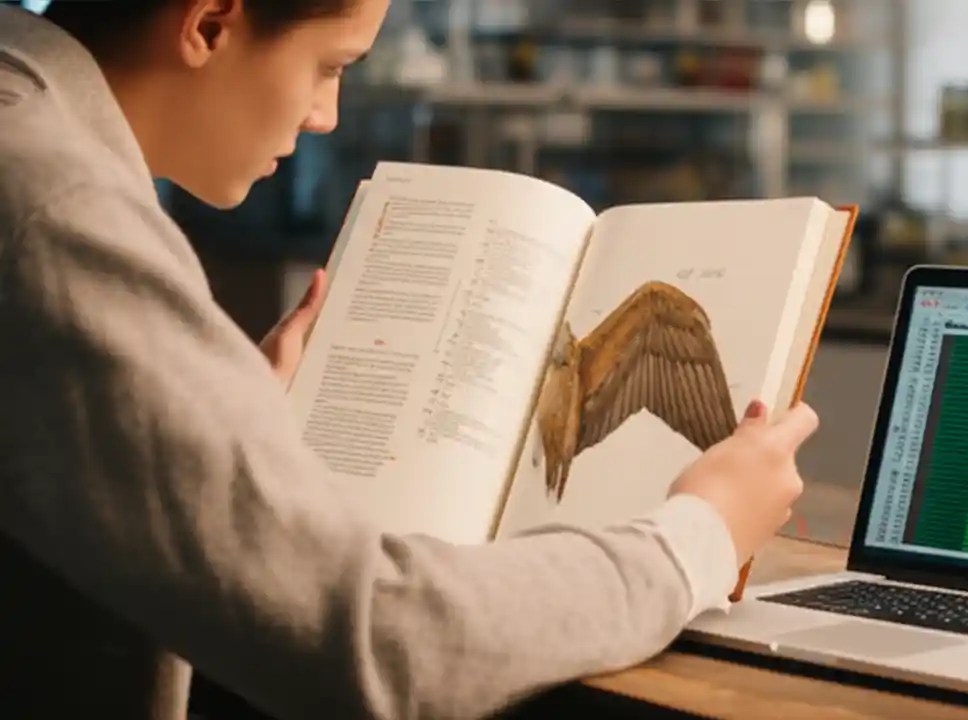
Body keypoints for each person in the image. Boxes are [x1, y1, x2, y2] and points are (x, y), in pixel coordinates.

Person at [0, 1, 820, 718]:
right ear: (211, 22)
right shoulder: (53, 206)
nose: (327, 114)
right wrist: (696, 538)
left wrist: (210, 405)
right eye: (331, 65)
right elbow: (376, 645)